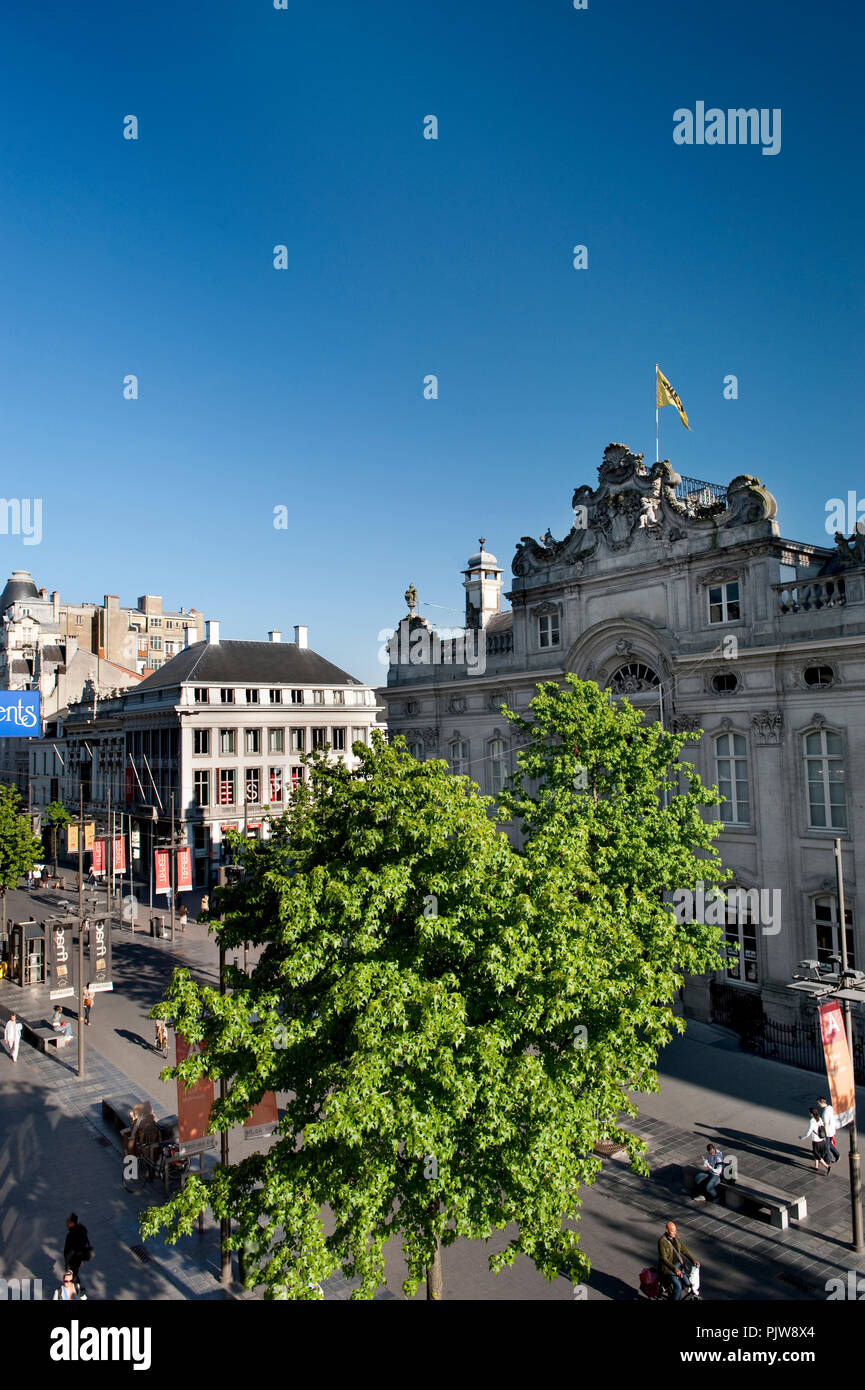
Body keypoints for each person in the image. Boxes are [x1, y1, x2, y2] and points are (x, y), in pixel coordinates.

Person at [658, 1221, 699, 1301]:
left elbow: (683, 1250)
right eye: (672, 1231)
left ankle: (674, 1292)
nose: (674, 1233)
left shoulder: (676, 1237)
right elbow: (664, 1259)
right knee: (678, 1286)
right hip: (668, 1269)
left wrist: (693, 1260)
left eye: (675, 1231)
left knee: (688, 1284)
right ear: (667, 1230)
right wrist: (675, 1269)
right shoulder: (662, 1241)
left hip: (679, 1265)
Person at [63, 1213, 91, 1293]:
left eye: (68, 1220)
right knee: (73, 1273)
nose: (66, 1222)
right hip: (76, 1257)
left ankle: (76, 1291)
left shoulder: (73, 1234)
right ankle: (77, 1288)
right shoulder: (78, 1231)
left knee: (71, 1274)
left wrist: (68, 1259)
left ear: (73, 1223)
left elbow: (72, 1249)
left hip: (73, 1259)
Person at [800, 1107, 831, 1172]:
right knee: (817, 1154)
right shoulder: (820, 1119)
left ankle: (827, 1166)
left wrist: (802, 1137)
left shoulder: (812, 1121)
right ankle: (816, 1166)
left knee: (817, 1155)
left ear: (811, 1114)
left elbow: (809, 1131)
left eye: (809, 1112)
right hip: (822, 1140)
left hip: (816, 1141)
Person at [818, 1096, 840, 1164]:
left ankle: (828, 1159)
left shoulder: (825, 1113)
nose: (818, 1105)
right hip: (832, 1129)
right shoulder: (830, 1107)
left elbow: (826, 1124)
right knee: (829, 1144)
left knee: (826, 1146)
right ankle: (837, 1155)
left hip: (828, 1132)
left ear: (821, 1103)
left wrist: (824, 1134)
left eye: (818, 1103)